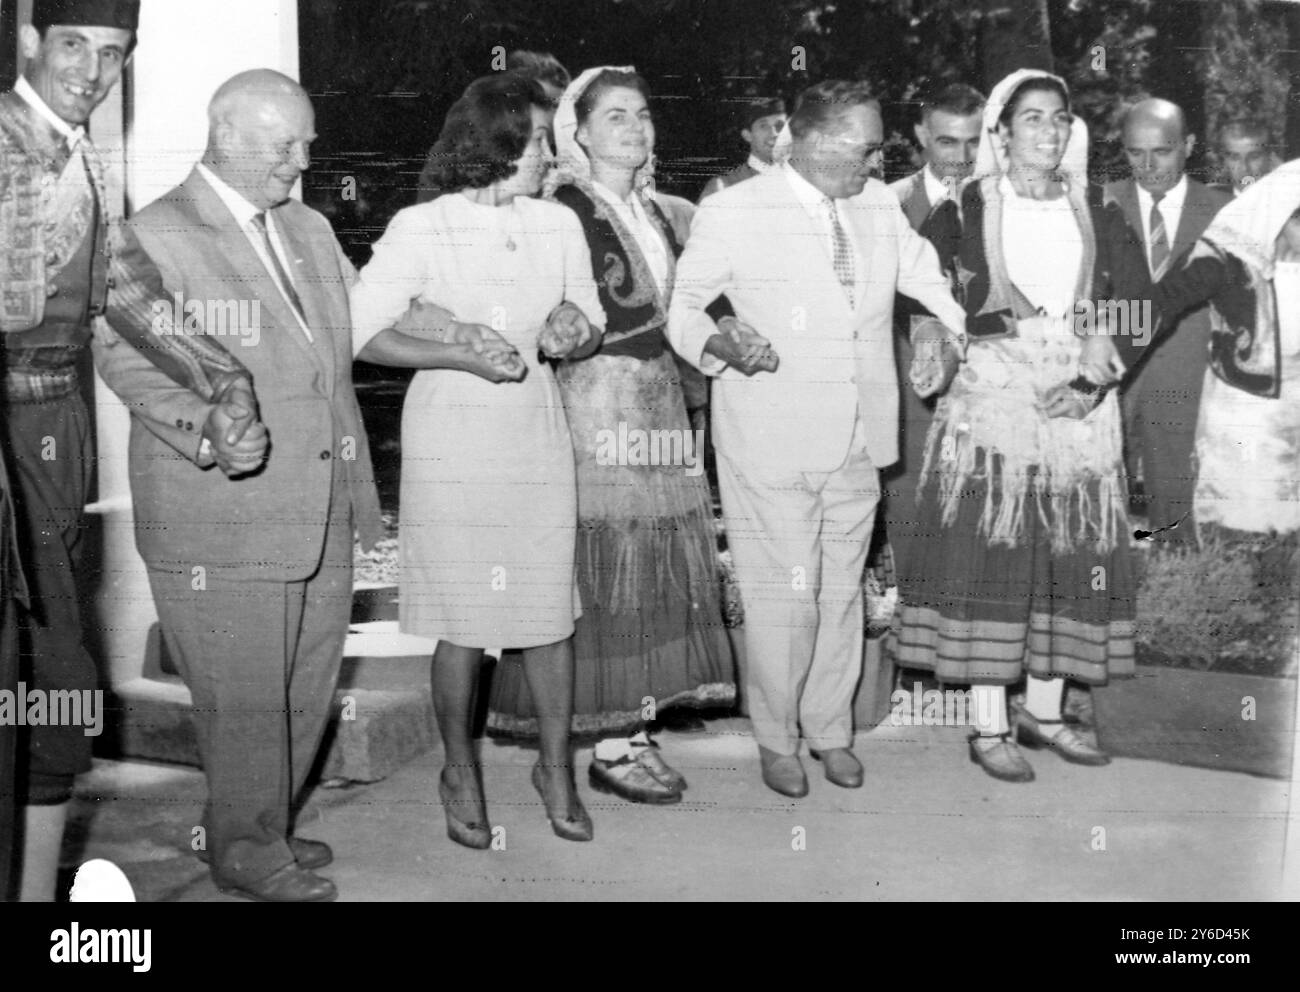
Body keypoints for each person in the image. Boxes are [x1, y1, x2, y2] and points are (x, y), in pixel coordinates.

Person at [91, 70, 388, 902]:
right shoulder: (149, 234)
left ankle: (267, 824)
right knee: (246, 694)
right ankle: (246, 847)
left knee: (305, 680)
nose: (304, 158)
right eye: (285, 143)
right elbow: (126, 360)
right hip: (223, 508)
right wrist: (206, 427)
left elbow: (355, 330)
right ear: (227, 135)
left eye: (307, 141)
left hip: (320, 499)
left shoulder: (307, 226)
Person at [1, 0, 263, 902]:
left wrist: (224, 380)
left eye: (111, 53)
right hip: (5, 452)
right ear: (32, 41)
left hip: (53, 443)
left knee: (52, 692)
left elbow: (130, 292)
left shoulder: (82, 158)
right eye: (73, 45)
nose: (90, 70)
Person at [668, 79, 967, 798]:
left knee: (839, 593)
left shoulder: (877, 206)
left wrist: (943, 335)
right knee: (783, 597)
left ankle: (830, 730)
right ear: (811, 139)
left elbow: (931, 285)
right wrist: (722, 341)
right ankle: (776, 738)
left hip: (862, 434)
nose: (875, 158)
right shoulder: (735, 209)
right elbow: (684, 306)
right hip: (769, 434)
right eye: (864, 146)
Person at [351, 73, 607, 844]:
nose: (549, 154)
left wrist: (573, 329)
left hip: (534, 433)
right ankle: (458, 767)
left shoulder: (558, 223)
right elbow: (364, 333)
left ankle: (554, 766)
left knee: (546, 617)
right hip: (452, 439)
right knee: (461, 623)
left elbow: (587, 313)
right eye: (536, 139)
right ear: (493, 144)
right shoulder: (422, 226)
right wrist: (460, 357)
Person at [487, 66, 736, 806]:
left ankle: (636, 725)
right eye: (617, 116)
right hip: (596, 409)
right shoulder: (563, 207)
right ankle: (606, 741)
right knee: (610, 565)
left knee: (654, 564)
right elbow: (537, 307)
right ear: (580, 131)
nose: (635, 127)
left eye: (643, 114)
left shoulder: (657, 212)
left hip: (657, 403)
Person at [893, 69, 1136, 783]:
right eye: (1032, 119)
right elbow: (924, 295)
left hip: (1077, 401)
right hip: (992, 400)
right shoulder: (966, 207)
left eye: (1060, 119)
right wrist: (939, 350)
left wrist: (1095, 373)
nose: (1050, 131)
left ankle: (1047, 710)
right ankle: (988, 722)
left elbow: (1136, 302)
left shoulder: (1095, 210)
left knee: (1068, 552)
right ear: (999, 133)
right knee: (995, 550)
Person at [1102, 162, 1300, 537]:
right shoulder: (1229, 256)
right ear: (1282, 215)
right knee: (1248, 527)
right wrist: (1108, 345)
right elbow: (1165, 299)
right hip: (1249, 419)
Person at [1101, 99, 1230, 540]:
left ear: (1189, 145)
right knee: (1098, 491)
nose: (1148, 165)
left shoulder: (1222, 211)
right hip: (1112, 367)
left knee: (1177, 504)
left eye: (1163, 151)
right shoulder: (1098, 205)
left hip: (1187, 370)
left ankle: (1180, 582)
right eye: (1135, 153)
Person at [885, 82, 982, 611]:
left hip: (986, 391)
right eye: (948, 143)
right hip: (910, 390)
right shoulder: (885, 204)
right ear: (922, 135)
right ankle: (918, 643)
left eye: (973, 143)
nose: (962, 159)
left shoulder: (1004, 205)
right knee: (913, 514)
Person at [699, 96, 787, 200]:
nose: (774, 133)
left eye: (780, 125)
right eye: (763, 126)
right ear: (747, 135)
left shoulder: (801, 180)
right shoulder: (724, 186)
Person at [1211, 119, 1281, 197]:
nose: (1244, 168)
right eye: (1235, 158)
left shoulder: (1290, 203)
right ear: (1224, 161)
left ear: (1271, 157)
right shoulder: (1210, 202)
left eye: (1254, 157)